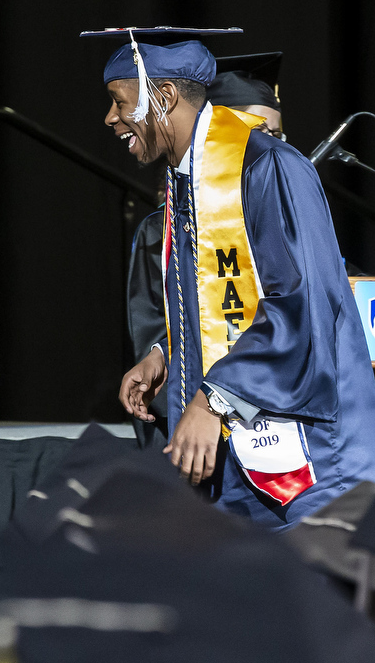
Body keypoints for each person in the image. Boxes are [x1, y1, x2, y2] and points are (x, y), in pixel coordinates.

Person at [91, 28, 375, 530]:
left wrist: (214, 400)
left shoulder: (268, 167)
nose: (111, 118)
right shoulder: (187, 182)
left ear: (164, 96)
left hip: (307, 473)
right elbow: (225, 303)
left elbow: (300, 302)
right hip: (235, 468)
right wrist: (164, 353)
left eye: (120, 102)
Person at [125, 52, 286, 451]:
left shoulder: (282, 207)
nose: (271, 146)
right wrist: (159, 355)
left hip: (281, 419)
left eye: (278, 134)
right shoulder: (164, 228)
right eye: (256, 129)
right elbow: (159, 326)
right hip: (199, 426)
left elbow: (312, 298)